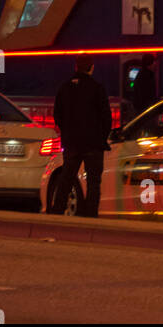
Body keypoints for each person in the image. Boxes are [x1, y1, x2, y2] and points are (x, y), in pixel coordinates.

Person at [50, 55, 113, 217]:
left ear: (76, 67)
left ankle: (57, 211)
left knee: (67, 178)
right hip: (93, 143)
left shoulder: (64, 88)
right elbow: (106, 117)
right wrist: (102, 136)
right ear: (91, 68)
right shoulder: (97, 87)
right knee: (93, 182)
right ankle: (91, 214)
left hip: (71, 142)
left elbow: (57, 114)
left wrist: (67, 131)